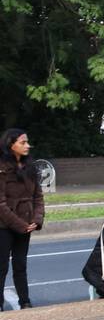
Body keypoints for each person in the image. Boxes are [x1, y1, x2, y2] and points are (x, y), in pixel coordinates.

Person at [0, 129, 43, 310]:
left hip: (26, 224)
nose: (27, 146)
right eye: (23, 142)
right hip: (4, 225)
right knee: (2, 266)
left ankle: (24, 301)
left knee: (20, 265)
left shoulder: (30, 167)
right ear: (11, 144)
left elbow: (38, 197)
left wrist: (36, 219)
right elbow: (0, 204)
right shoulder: (2, 168)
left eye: (27, 142)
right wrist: (20, 225)